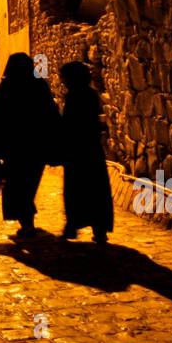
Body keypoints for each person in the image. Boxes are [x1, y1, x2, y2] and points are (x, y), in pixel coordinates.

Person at [0, 52, 60, 238]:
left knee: (18, 186)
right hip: (36, 147)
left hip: (13, 149)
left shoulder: (7, 87)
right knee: (28, 185)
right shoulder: (39, 85)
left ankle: (27, 223)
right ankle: (27, 222)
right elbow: (51, 114)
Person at [58, 61, 113, 243]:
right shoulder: (90, 94)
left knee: (76, 189)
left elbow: (70, 124)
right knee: (95, 190)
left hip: (77, 151)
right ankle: (99, 229)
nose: (62, 81)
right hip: (92, 150)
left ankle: (73, 225)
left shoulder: (75, 96)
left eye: (64, 77)